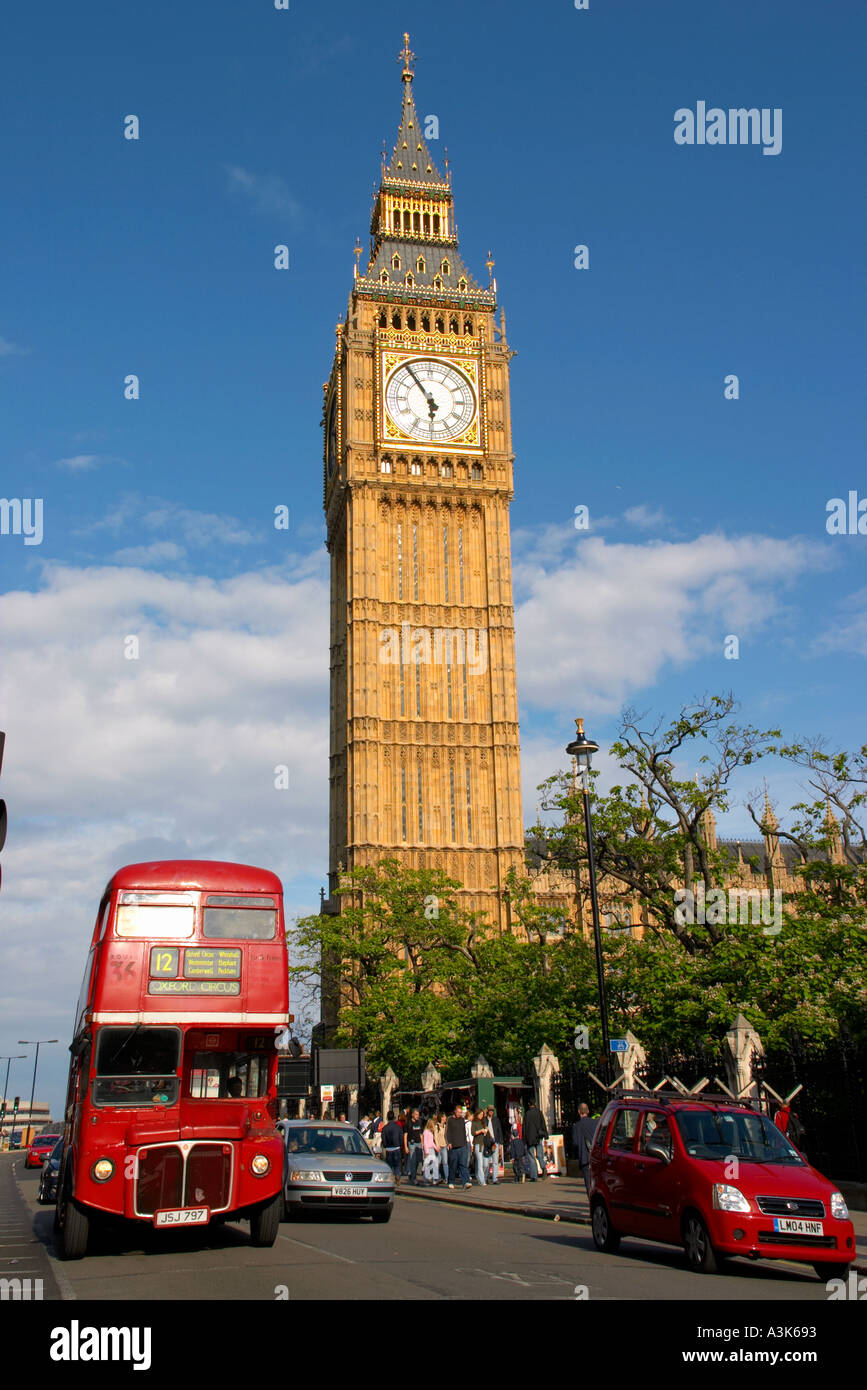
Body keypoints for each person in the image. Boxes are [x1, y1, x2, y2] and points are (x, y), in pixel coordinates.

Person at [571, 1103, 598, 1198]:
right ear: (588, 1111)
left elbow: (576, 1142)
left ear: (579, 1112)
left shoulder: (577, 1126)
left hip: (585, 1159)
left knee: (589, 1185)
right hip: (596, 1158)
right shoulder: (595, 1123)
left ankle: (592, 1204)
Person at [446, 1103, 471, 1189]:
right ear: (455, 1111)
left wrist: (466, 1143)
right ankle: (451, 1181)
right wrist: (449, 1142)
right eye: (459, 1112)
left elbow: (464, 1132)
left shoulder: (462, 1120)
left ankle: (466, 1182)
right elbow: (448, 1132)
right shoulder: (450, 1120)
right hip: (453, 1147)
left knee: (463, 1164)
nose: (460, 1114)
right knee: (453, 1165)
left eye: (461, 1112)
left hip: (462, 1145)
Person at [523, 1099, 549, 1179]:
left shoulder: (527, 1114)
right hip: (538, 1136)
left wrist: (524, 1139)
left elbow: (524, 1127)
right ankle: (543, 1168)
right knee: (539, 1155)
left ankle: (534, 1176)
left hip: (530, 1138)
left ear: (529, 1104)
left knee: (531, 1157)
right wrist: (545, 1134)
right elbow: (543, 1123)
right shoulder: (539, 1113)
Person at [380, 1110, 403, 1181]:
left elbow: (383, 1138)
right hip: (396, 1147)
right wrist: (400, 1144)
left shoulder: (384, 1128)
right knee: (397, 1164)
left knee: (389, 1164)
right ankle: (397, 1175)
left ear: (387, 1118)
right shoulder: (398, 1127)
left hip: (388, 1148)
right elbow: (401, 1137)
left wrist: (385, 1145)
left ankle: (390, 1177)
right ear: (394, 1117)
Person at [404, 1107, 424, 1184]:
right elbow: (405, 1135)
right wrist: (405, 1146)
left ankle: (412, 1174)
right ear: (412, 1115)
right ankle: (413, 1178)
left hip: (419, 1143)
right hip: (411, 1143)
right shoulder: (408, 1124)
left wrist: (422, 1144)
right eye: (416, 1114)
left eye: (418, 1114)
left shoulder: (419, 1122)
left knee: (418, 1161)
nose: (417, 1116)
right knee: (413, 1160)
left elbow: (421, 1134)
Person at [485, 1106, 503, 1185]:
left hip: (495, 1142)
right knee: (487, 1161)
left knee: (495, 1161)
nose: (491, 1112)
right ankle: (486, 1177)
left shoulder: (496, 1120)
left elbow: (499, 1130)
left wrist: (500, 1143)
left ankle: (495, 1178)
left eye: (492, 1111)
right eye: (490, 1111)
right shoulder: (484, 1120)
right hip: (487, 1142)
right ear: (488, 1111)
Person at [472, 1110, 490, 1184]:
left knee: (485, 1164)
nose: (481, 1116)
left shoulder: (483, 1122)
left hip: (484, 1144)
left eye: (482, 1114)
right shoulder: (474, 1122)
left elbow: (486, 1131)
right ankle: (482, 1181)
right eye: (480, 1114)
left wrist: (486, 1130)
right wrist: (481, 1131)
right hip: (478, 1144)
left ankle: (481, 1177)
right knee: (480, 1162)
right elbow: (473, 1132)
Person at [421, 1119, 440, 1185]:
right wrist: (426, 1151)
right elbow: (425, 1142)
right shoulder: (425, 1132)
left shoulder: (430, 1132)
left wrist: (436, 1148)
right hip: (428, 1150)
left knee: (434, 1164)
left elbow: (431, 1142)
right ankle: (425, 1179)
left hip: (432, 1149)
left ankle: (434, 1179)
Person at [433, 1112, 449, 1184]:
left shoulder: (445, 1126)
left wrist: (447, 1144)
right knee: (438, 1162)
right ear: (441, 1118)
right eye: (445, 1117)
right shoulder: (437, 1126)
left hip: (444, 1145)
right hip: (439, 1146)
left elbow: (446, 1137)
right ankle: (436, 1177)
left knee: (445, 1162)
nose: (446, 1118)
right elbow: (435, 1136)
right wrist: (437, 1145)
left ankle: (447, 1178)